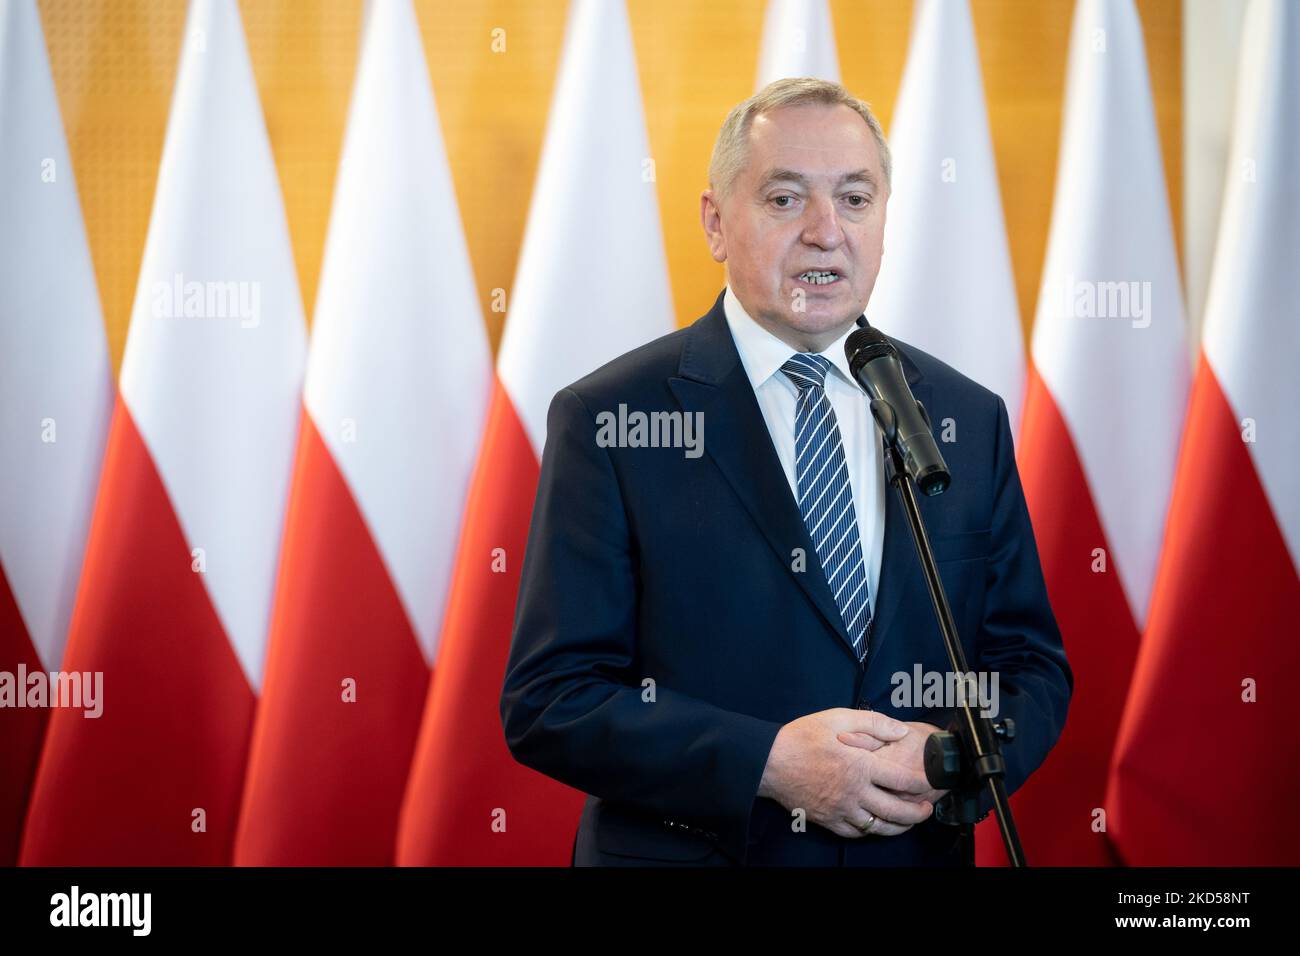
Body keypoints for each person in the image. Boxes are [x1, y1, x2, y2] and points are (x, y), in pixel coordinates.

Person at [499, 77, 1072, 866]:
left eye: (856, 198)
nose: (825, 232)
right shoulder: (613, 419)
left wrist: (945, 755)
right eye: (783, 199)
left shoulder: (964, 417)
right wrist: (765, 763)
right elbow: (552, 700)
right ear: (716, 223)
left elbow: (1029, 666)